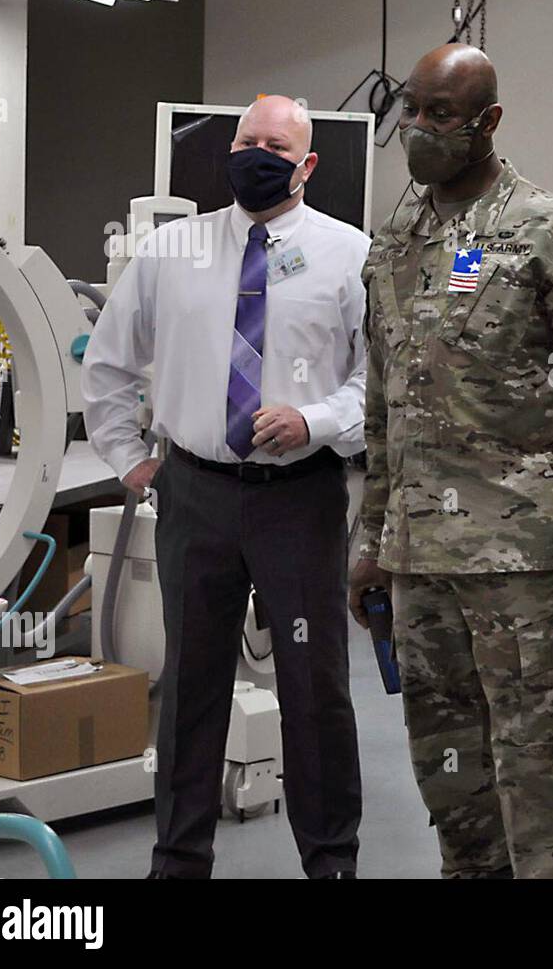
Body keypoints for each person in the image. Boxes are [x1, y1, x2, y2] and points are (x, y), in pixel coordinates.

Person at [350, 44, 553, 879]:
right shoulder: (396, 241)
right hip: (419, 558)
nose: (420, 128)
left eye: (441, 114)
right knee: (451, 776)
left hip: (522, 559)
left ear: (488, 122)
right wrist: (370, 536)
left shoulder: (552, 233)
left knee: (538, 776)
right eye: (413, 109)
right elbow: (383, 407)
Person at [82, 95, 368, 879]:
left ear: (307, 165)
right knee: (191, 686)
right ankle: (178, 861)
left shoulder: (350, 256)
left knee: (315, 690)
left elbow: (381, 383)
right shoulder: (172, 251)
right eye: (246, 140)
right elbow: (107, 360)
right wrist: (127, 455)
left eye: (276, 143)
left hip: (299, 498)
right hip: (194, 494)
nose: (256, 152)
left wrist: (313, 420)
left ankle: (331, 860)